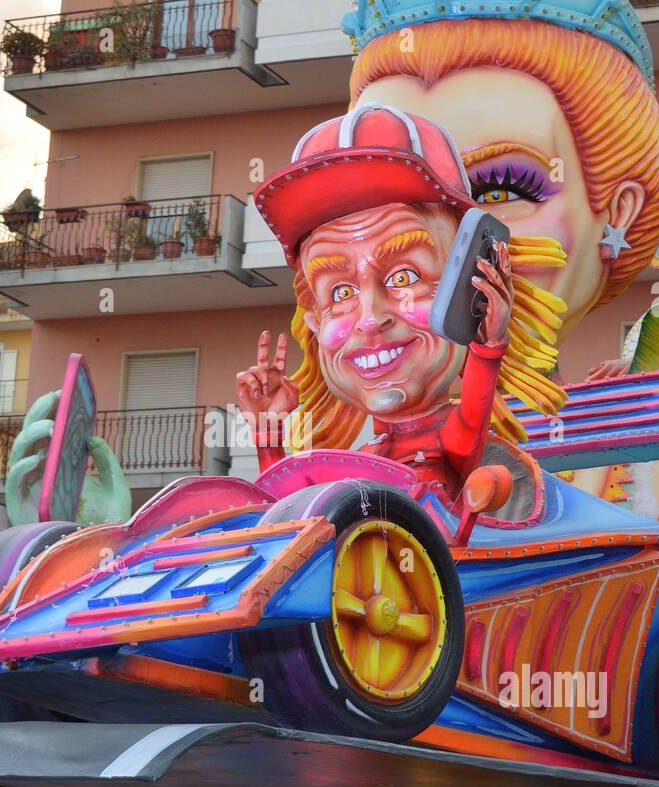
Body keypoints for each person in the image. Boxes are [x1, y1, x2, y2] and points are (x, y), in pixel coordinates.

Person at [236, 103, 568, 502]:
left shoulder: (453, 451)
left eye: (403, 277)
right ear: (314, 324)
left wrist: (488, 346)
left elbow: (467, 439)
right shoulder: (355, 467)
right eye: (341, 293)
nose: (371, 319)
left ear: (471, 290)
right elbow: (286, 518)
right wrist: (268, 429)